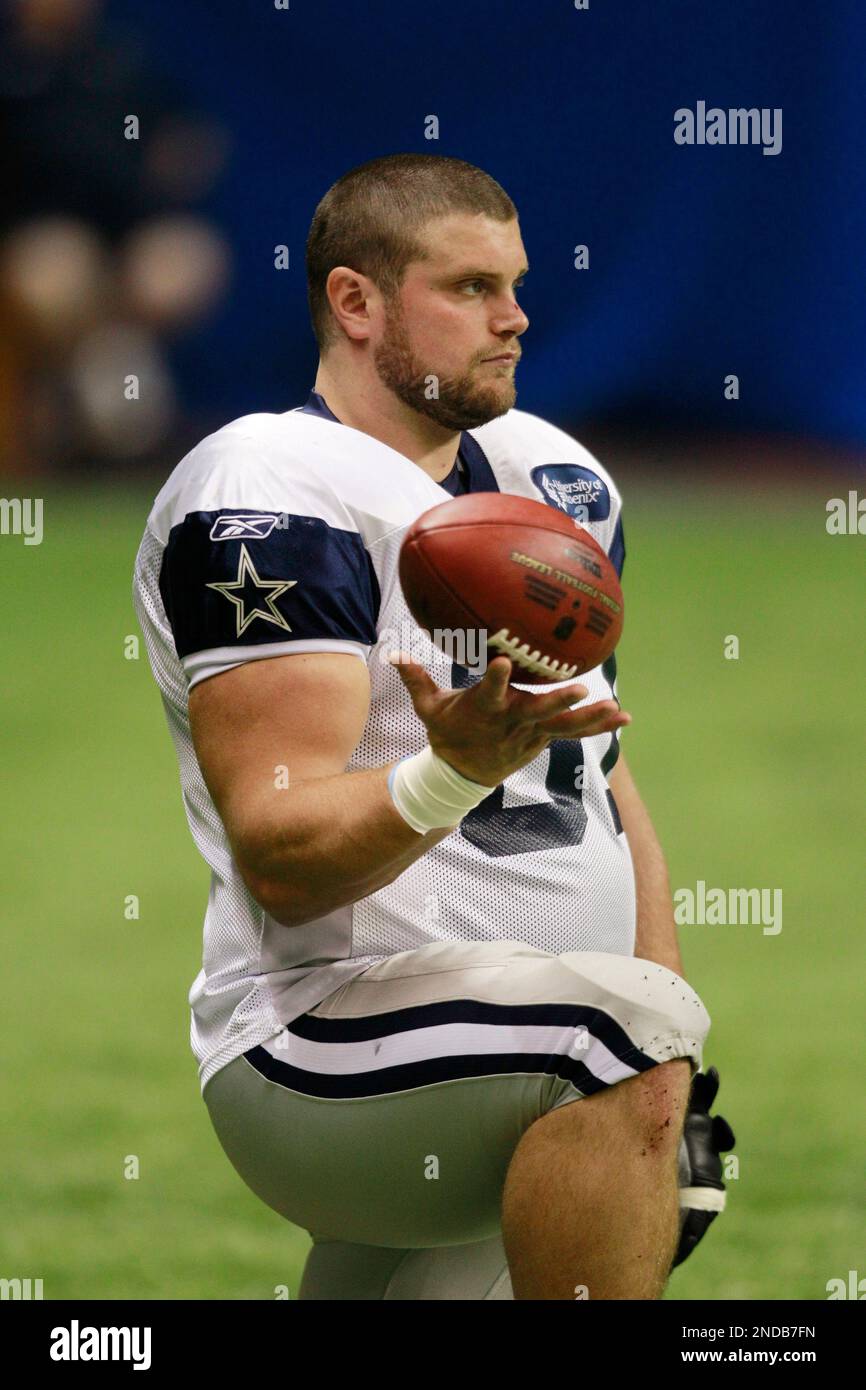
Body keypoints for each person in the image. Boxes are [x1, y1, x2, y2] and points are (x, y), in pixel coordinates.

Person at [133, 153, 733, 1300]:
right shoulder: (268, 493)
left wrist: (674, 1053)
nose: (513, 317)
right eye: (467, 288)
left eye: (512, 283)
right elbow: (283, 859)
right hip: (321, 1037)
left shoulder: (553, 481)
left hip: (509, 1043)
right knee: (614, 1041)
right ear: (354, 302)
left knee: (630, 1039)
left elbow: (602, 772)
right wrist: (447, 772)